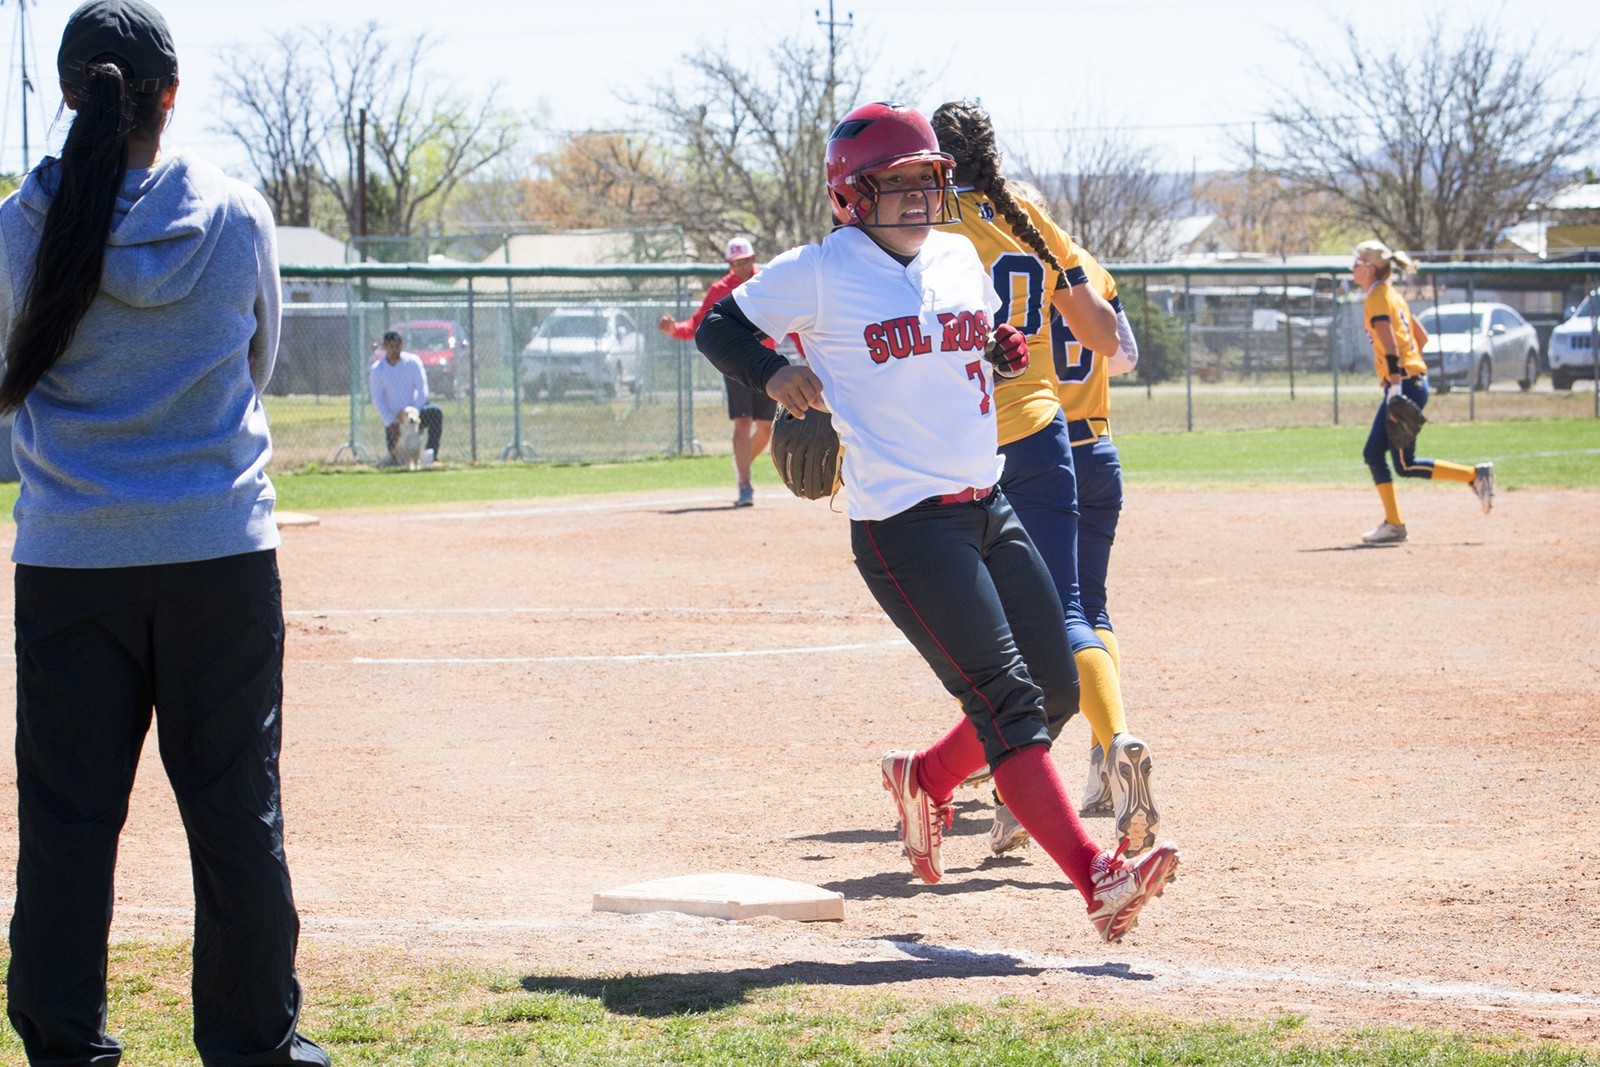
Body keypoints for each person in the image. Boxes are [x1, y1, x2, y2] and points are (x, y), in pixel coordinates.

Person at [696, 100, 1178, 943]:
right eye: (899, 186)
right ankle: (1098, 881)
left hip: (987, 502)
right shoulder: (819, 270)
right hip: (906, 526)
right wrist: (773, 373)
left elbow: (973, 334)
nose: (920, 200)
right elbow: (718, 323)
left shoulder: (958, 254)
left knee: (1058, 683)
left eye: (929, 182)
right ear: (852, 195)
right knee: (1009, 704)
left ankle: (923, 776)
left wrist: (998, 348)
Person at [0, 2, 328, 1064]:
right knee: (236, 811)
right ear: (169, 98)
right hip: (219, 554)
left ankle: (62, 1040)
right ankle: (251, 1043)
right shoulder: (234, 213)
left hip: (70, 558)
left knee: (67, 821)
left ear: (66, 94)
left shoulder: (16, 226)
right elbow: (256, 362)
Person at [931, 101, 1161, 858]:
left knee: (993, 640)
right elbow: (1104, 338)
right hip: (1043, 432)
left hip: (958, 444)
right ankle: (1115, 736)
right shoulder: (1023, 212)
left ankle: (998, 781)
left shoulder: (924, 213)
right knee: (1069, 608)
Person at [1352, 240, 1494, 543]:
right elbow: (1422, 338)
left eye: (1358, 260)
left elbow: (1390, 344)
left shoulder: (1378, 296)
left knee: (1404, 463)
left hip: (1402, 384)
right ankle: (1394, 523)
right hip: (1409, 381)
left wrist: (1395, 385)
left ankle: (1474, 475)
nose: (1353, 266)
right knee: (1375, 452)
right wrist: (1408, 371)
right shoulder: (1392, 295)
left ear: (1371, 267)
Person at [659, 236, 784, 507]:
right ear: (730, 264)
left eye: (746, 261)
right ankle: (745, 484)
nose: (741, 267)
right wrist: (675, 329)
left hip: (765, 362)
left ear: (753, 259)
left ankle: (741, 464)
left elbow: (790, 319)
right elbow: (699, 323)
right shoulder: (720, 289)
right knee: (742, 422)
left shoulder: (766, 282)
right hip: (736, 363)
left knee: (765, 428)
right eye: (735, 263)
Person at [371, 328, 444, 465]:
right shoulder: (377, 369)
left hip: (416, 414)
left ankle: (431, 456)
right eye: (391, 347)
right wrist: (390, 422)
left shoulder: (413, 362)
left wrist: (414, 414)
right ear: (385, 347)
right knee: (397, 462)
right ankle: (393, 457)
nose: (394, 350)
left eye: (397, 346)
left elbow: (423, 390)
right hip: (395, 421)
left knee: (436, 413)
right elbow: (377, 398)